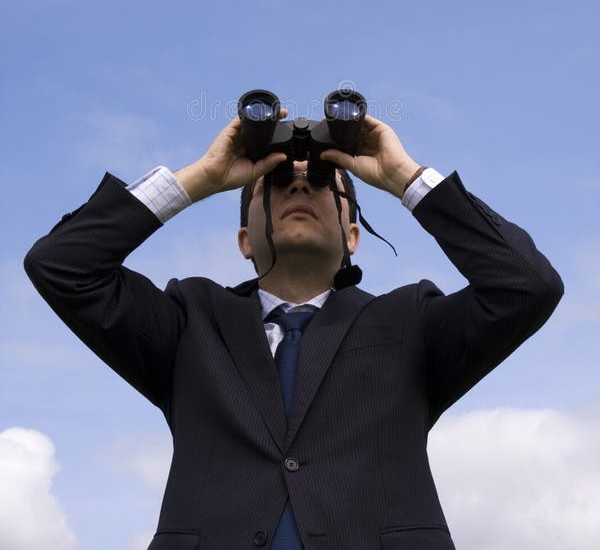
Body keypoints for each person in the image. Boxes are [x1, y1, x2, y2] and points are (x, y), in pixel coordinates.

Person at [24, 110, 563, 550]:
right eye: (275, 183)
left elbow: (528, 285)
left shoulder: (412, 321)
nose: (299, 183)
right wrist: (200, 179)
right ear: (244, 241)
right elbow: (62, 265)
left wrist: (405, 179)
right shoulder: (189, 321)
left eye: (325, 181)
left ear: (354, 235)